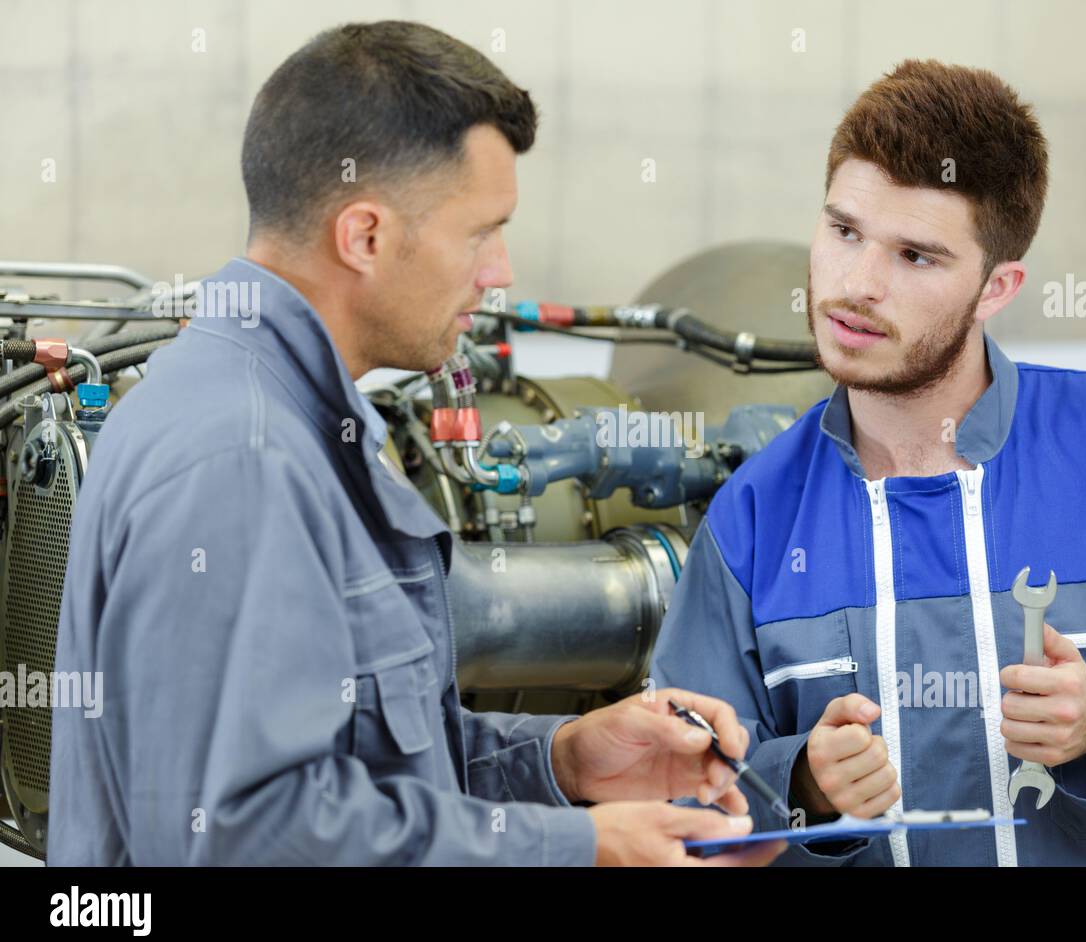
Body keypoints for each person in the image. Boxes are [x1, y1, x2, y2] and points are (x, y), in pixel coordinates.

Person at [48, 20, 785, 867]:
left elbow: (359, 761)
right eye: (480, 232)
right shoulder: (242, 459)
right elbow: (252, 835)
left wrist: (564, 760)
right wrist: (581, 849)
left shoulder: (291, 416)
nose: (500, 270)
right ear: (364, 236)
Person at [649, 59, 1086, 866]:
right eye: (845, 231)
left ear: (998, 287)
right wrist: (801, 785)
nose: (856, 285)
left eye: (915, 256)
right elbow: (676, 797)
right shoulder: (750, 517)